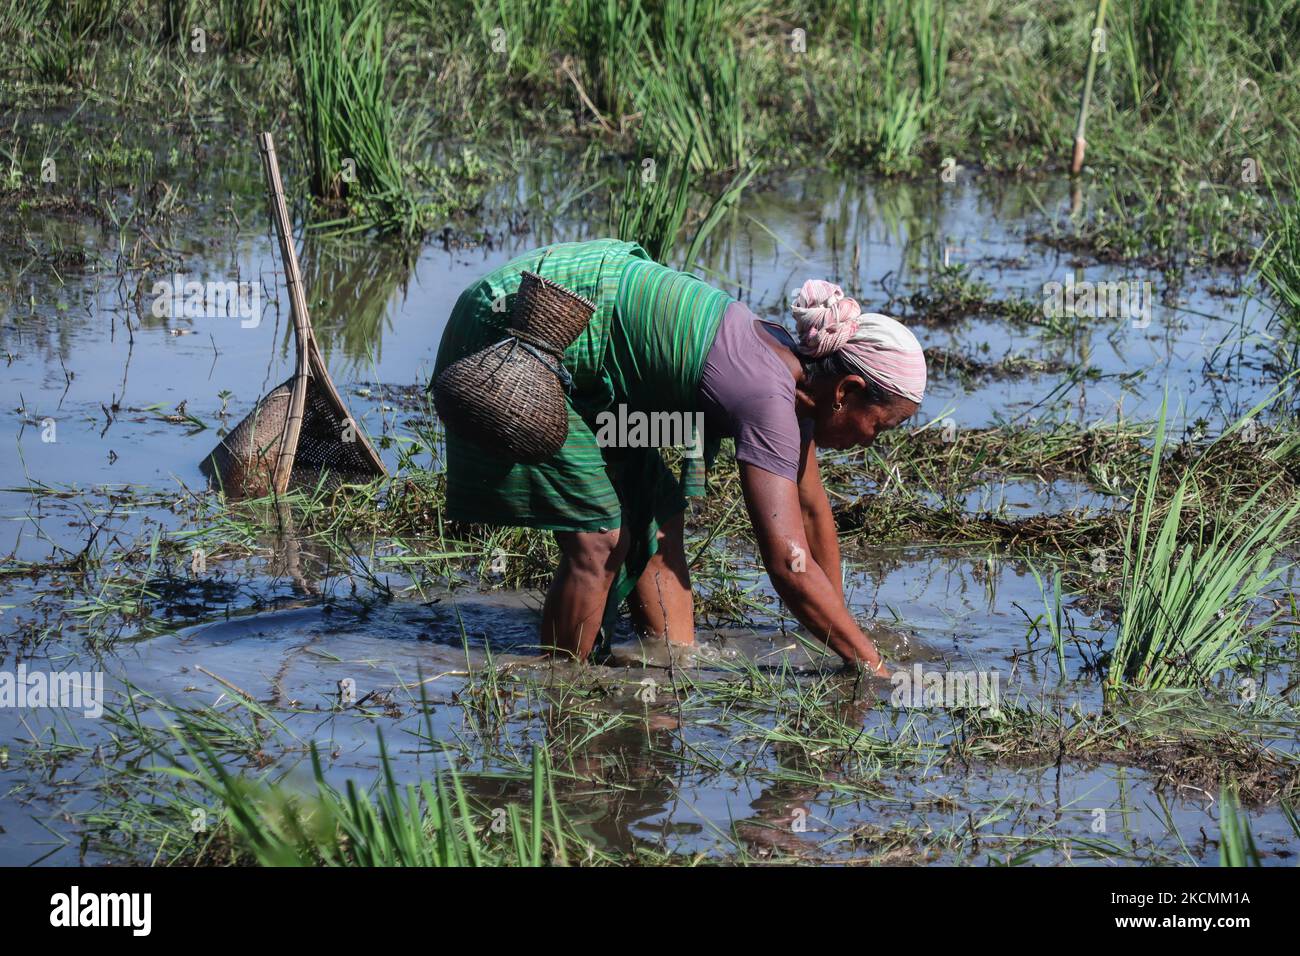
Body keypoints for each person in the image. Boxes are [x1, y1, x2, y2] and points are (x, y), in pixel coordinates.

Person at [433, 239, 926, 675]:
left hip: (587, 354)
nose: (871, 442)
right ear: (847, 390)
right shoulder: (765, 395)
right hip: (520, 335)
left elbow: (813, 509)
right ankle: (560, 685)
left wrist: (839, 628)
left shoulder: (796, 379)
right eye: (880, 426)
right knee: (600, 538)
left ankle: (668, 667)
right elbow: (790, 564)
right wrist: (871, 665)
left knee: (656, 508)